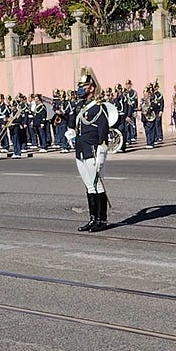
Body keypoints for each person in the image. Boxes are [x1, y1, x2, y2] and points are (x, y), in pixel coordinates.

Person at [69, 68, 111, 232]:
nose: (80, 89)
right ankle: (92, 218)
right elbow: (72, 124)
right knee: (89, 186)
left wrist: (102, 153)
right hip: (81, 151)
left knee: (98, 185)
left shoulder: (99, 108)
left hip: (93, 151)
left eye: (84, 86)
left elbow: (103, 132)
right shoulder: (81, 106)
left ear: (92, 87)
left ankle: (102, 220)